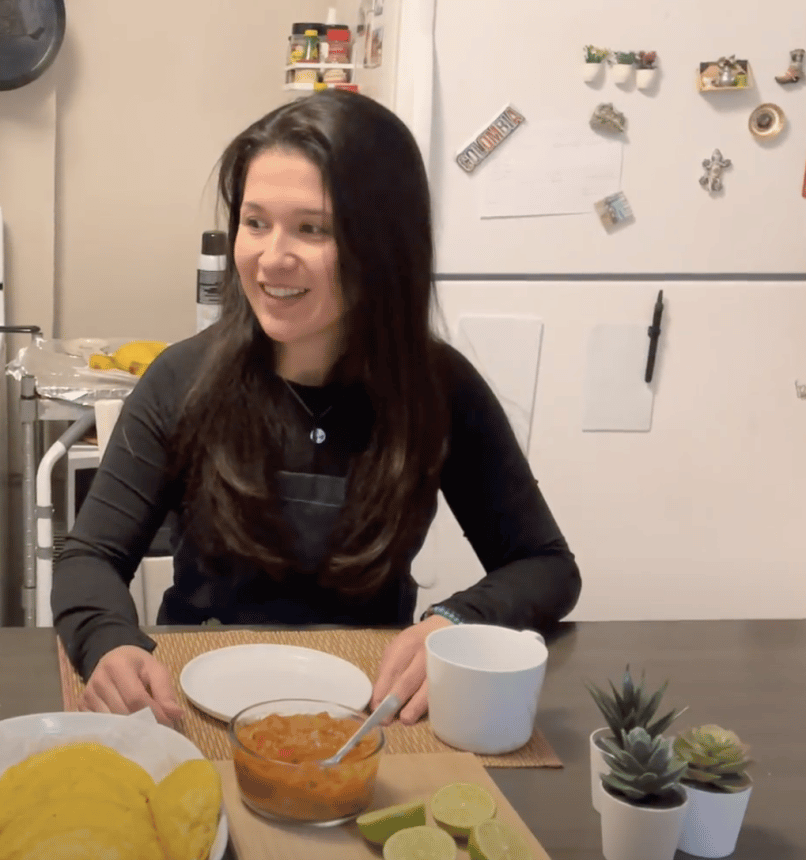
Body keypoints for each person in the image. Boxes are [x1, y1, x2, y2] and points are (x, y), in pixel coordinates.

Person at [53, 91, 581, 728]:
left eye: (313, 228)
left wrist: (454, 622)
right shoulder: (181, 378)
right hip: (195, 707)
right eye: (255, 223)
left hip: (369, 718)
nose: (272, 258)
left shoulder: (441, 388)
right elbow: (89, 557)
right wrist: (108, 642)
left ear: (384, 244)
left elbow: (545, 567)